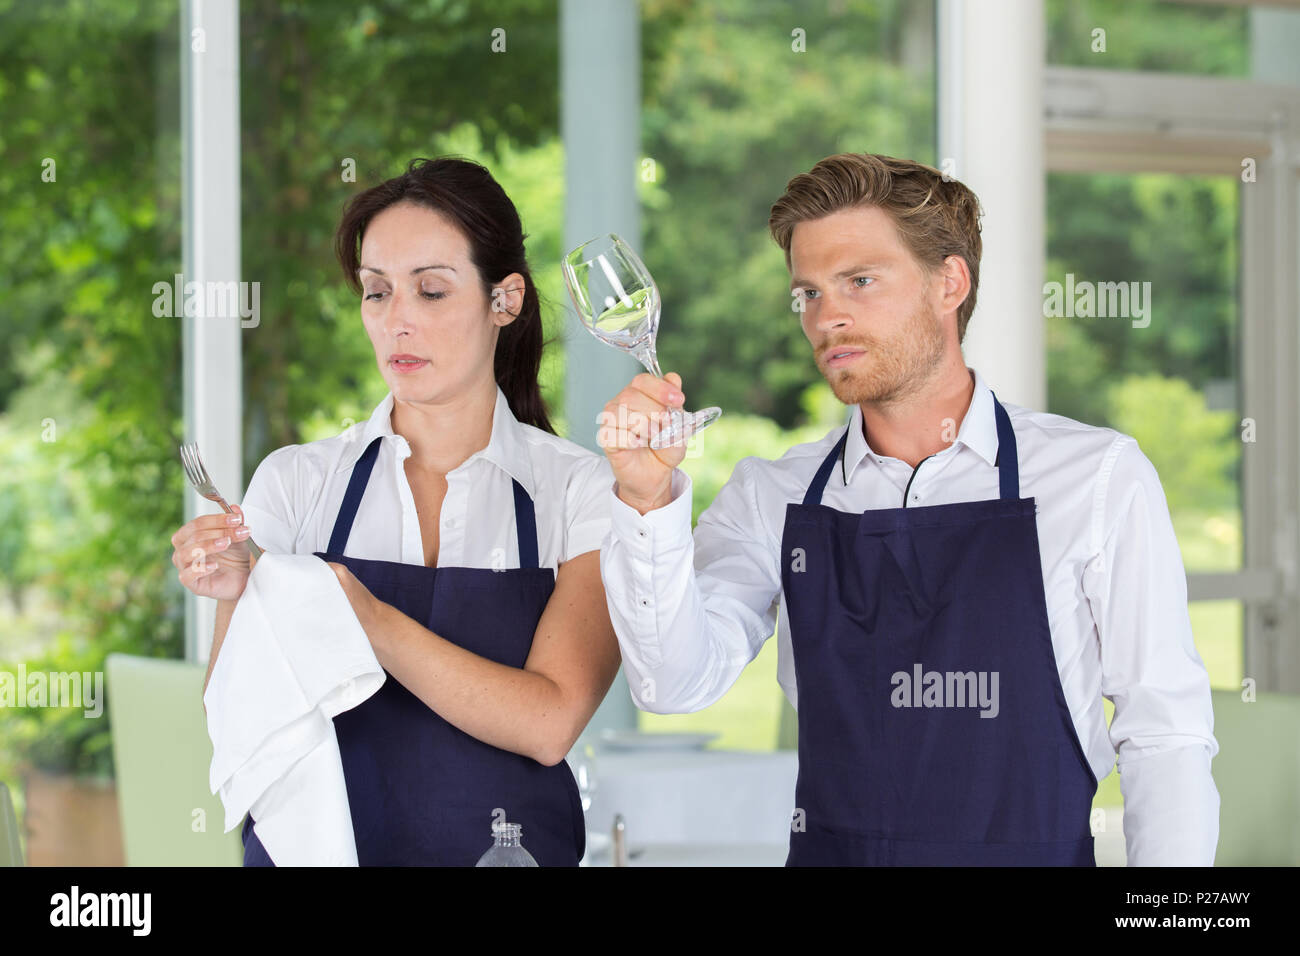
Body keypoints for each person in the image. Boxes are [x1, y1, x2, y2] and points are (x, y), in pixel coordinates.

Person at [596, 152, 1220, 866]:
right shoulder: (774, 495)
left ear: (949, 282)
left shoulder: (1095, 478)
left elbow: (1165, 735)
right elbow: (672, 685)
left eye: (860, 281)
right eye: (807, 294)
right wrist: (646, 501)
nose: (828, 317)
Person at [169, 157, 621, 866]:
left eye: (432, 291)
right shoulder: (295, 484)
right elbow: (236, 715)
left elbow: (550, 721)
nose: (398, 321)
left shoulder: (578, 492)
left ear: (505, 300)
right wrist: (239, 596)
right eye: (377, 293)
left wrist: (367, 618)